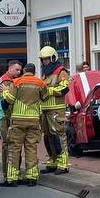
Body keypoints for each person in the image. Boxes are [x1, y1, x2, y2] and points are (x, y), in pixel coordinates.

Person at [0, 63, 46, 186]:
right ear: (34, 72)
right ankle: (32, 177)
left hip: (18, 120)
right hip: (34, 120)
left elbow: (9, 100)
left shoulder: (16, 82)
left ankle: (13, 178)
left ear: (24, 71)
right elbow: (45, 97)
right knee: (31, 148)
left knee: (14, 149)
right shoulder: (40, 83)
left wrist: (5, 92)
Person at [38, 46, 71, 174]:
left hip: (57, 109)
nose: (44, 62)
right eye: (43, 59)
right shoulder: (45, 73)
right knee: (47, 136)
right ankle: (53, 160)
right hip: (45, 109)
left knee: (59, 136)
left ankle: (63, 164)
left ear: (52, 58)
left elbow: (64, 89)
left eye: (46, 59)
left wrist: (49, 91)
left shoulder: (61, 71)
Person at [0, 60, 23, 185]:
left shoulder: (11, 80)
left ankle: (11, 173)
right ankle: (8, 174)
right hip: (6, 117)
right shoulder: (6, 81)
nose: (19, 72)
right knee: (8, 145)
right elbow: (6, 103)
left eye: (20, 70)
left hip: (9, 117)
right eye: (16, 70)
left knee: (10, 145)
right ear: (10, 68)